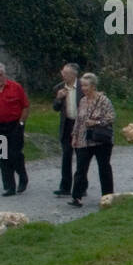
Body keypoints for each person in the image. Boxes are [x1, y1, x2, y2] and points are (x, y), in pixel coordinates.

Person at [69, 72, 114, 207]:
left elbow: (111, 117)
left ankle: (107, 197)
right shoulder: (82, 100)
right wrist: (74, 136)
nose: (83, 88)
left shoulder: (103, 100)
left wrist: (96, 123)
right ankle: (76, 197)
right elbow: (78, 120)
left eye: (86, 85)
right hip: (84, 140)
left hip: (101, 140)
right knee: (81, 168)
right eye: (82, 85)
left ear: (93, 86)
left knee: (104, 168)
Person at [0, 62, 29, 196]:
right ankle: (9, 187)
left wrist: (21, 123)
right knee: (2, 156)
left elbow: (26, 106)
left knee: (14, 154)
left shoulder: (16, 87)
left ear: (4, 75)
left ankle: (23, 176)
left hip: (14, 125)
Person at [51, 63, 80, 197]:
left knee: (81, 157)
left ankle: (81, 187)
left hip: (80, 125)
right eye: (63, 73)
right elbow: (55, 108)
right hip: (67, 124)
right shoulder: (59, 88)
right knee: (66, 156)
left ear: (74, 75)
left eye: (67, 73)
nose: (64, 76)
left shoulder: (83, 87)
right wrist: (58, 98)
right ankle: (65, 186)